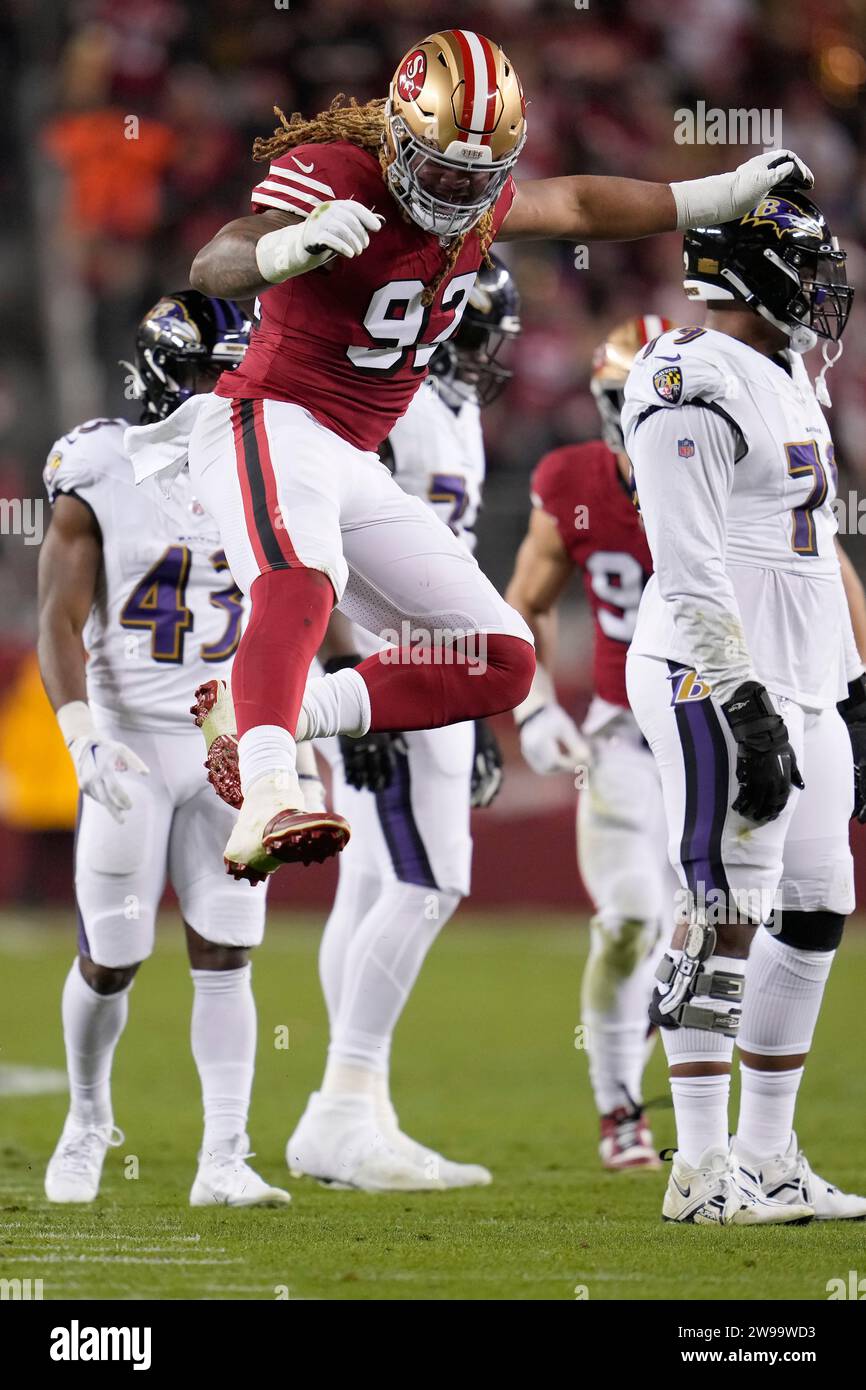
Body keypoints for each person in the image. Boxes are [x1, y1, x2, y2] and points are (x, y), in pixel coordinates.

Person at [170, 26, 812, 884]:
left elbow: (581, 207)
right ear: (400, 137)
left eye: (477, 179)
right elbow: (215, 261)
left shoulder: (479, 205)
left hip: (350, 456)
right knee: (303, 577)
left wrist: (719, 193)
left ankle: (260, 723)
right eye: (439, 171)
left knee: (500, 659)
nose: (454, 193)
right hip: (266, 417)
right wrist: (288, 246)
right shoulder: (339, 173)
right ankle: (269, 792)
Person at [193, 259, 517, 1190]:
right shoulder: (395, 401)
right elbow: (331, 537)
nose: (489, 351)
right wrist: (343, 668)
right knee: (425, 882)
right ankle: (344, 1101)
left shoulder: (451, 408)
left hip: (418, 663)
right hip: (386, 664)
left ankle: (360, 1113)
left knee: (382, 882)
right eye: (480, 328)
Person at [623, 186, 866, 1223]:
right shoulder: (689, 379)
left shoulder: (781, 376)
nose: (822, 292)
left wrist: (853, 683)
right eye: (806, 270)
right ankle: (698, 1170)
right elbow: (686, 569)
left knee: (814, 908)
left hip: (803, 673)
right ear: (756, 277)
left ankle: (766, 1157)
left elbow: (812, 550)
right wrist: (747, 703)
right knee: (725, 908)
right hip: (711, 671)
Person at [38, 292, 294, 1207]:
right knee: (113, 954)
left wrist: (337, 715)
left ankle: (225, 1157)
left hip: (229, 740)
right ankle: (85, 1117)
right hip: (134, 746)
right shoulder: (100, 461)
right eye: (203, 375)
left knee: (228, 949)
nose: (217, 394)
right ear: (157, 375)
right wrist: (82, 741)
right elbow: (58, 620)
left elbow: (305, 600)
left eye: (230, 376)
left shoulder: (261, 461)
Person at [506, 315, 677, 1171]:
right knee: (631, 920)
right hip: (624, 739)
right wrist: (536, 705)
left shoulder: (739, 474)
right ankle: (620, 1108)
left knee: (718, 930)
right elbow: (523, 604)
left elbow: (819, 576)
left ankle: (740, 1138)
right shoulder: (573, 479)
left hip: (721, 734)